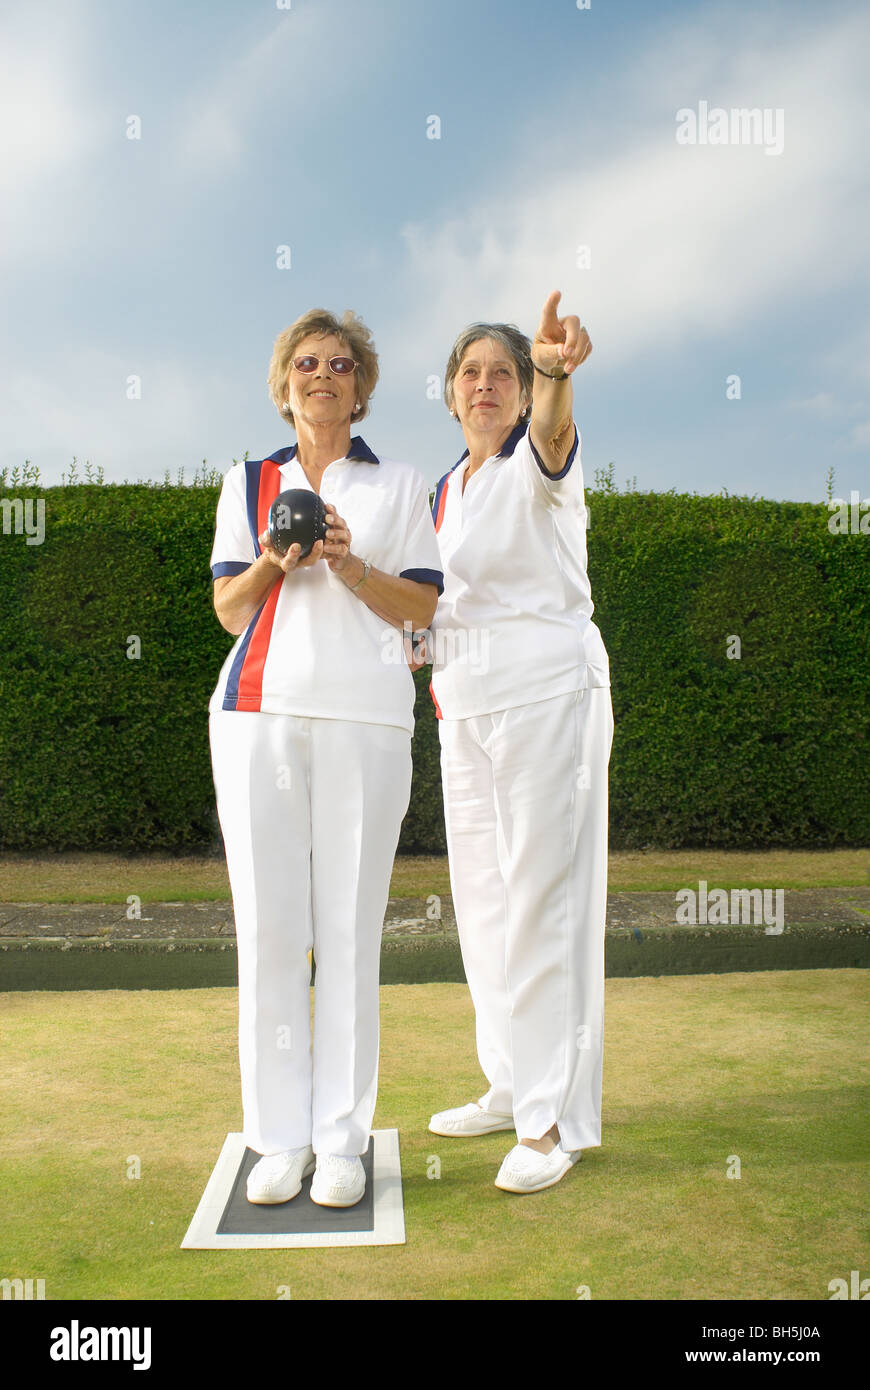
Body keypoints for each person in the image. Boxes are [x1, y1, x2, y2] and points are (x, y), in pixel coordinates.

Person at [208, 308, 442, 1208]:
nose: (322, 375)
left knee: (346, 931)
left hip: (365, 721)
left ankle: (340, 1139)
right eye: (305, 363)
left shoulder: (401, 483)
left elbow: (420, 610)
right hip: (257, 715)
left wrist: (347, 564)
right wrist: (276, 559)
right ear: (284, 384)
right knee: (271, 931)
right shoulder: (246, 479)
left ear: (361, 386)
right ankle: (277, 1140)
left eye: (340, 364)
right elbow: (231, 610)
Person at [426, 290, 613, 1194]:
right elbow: (433, 605)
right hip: (463, 713)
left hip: (548, 694)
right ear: (451, 396)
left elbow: (550, 430)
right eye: (472, 373)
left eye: (503, 371)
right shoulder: (440, 491)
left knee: (542, 902)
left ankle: (551, 1124)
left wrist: (550, 374)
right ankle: (508, 1083)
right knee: (485, 908)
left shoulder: (541, 456)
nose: (487, 384)